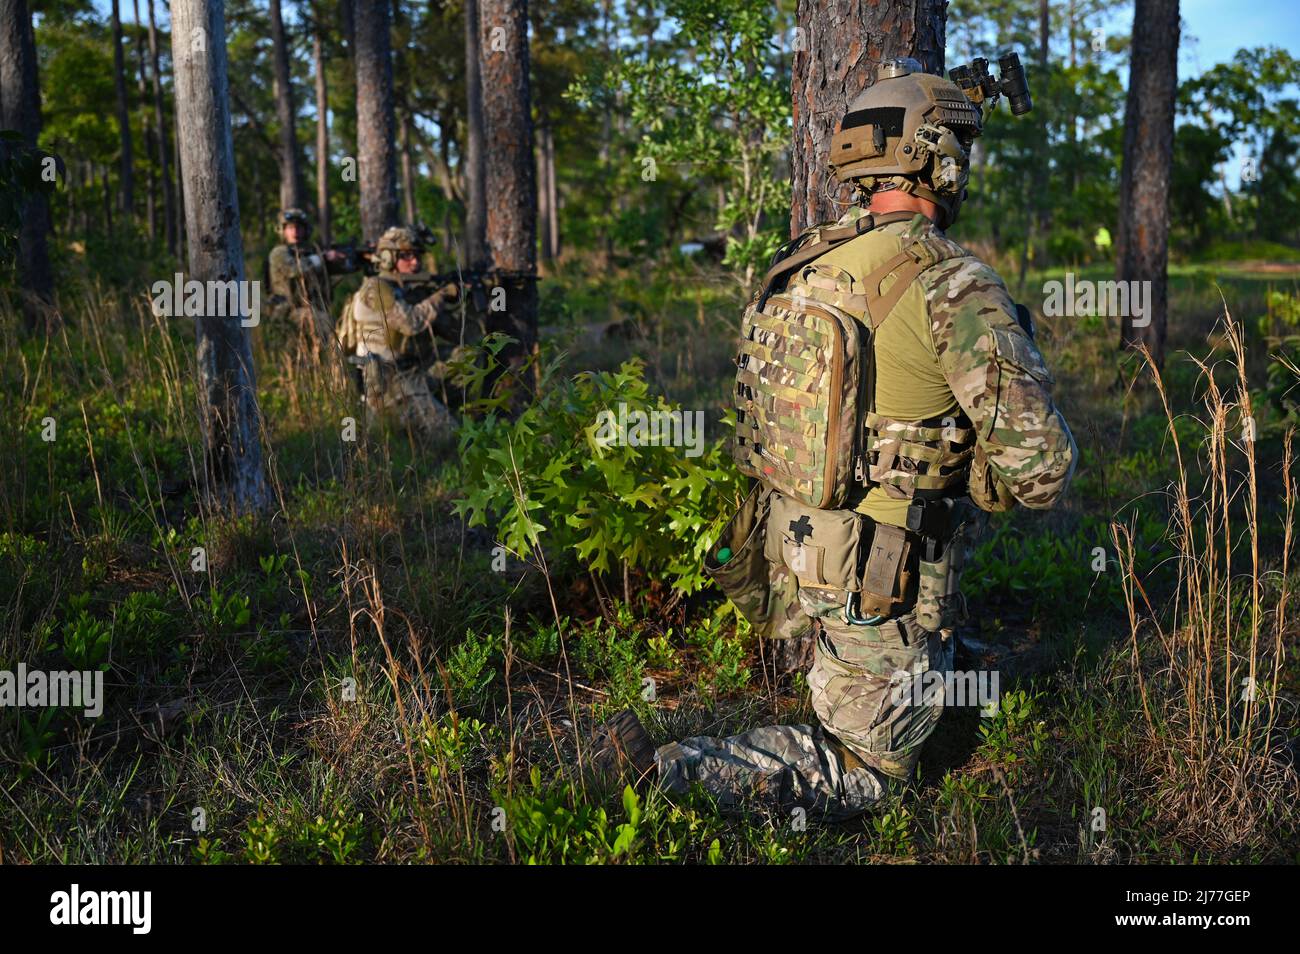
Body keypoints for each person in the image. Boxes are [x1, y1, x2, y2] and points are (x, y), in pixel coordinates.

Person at [593, 58, 1077, 818]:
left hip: (795, 554)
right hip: (881, 577)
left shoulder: (803, 263)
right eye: (959, 148)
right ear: (934, 159)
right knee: (872, 776)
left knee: (930, 683)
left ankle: (893, 674)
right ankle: (672, 769)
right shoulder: (952, 282)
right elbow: (1042, 472)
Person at [335, 226, 462, 439]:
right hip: (390, 382)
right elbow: (411, 322)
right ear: (387, 258)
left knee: (465, 356)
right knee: (450, 434)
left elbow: (456, 333)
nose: (415, 261)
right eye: (406, 256)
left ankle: (440, 406)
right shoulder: (376, 288)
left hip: (413, 372)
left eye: (417, 255)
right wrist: (441, 296)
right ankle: (412, 426)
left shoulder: (406, 290)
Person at [265, 208, 354, 356]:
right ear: (283, 231)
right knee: (323, 323)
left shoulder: (311, 252)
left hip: (311, 310)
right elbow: (295, 270)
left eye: (299, 227)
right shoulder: (279, 252)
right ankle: (334, 362)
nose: (295, 232)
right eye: (291, 228)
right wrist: (323, 258)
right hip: (287, 310)